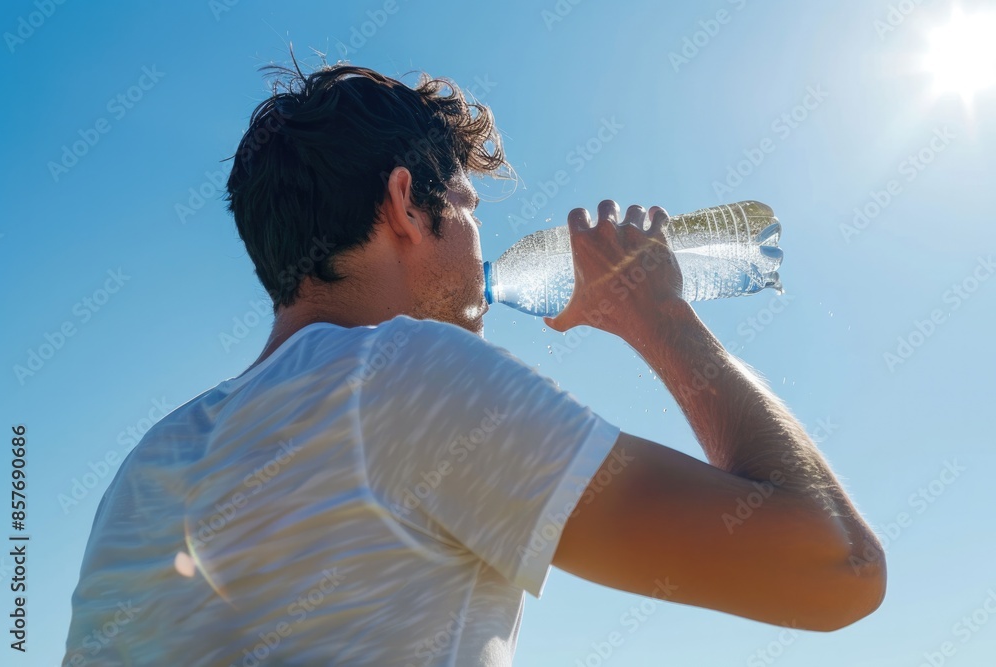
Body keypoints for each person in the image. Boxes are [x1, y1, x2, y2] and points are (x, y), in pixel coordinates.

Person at [62, 60, 886, 666]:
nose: (478, 236)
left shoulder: (145, 468)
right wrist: (662, 317)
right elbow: (837, 568)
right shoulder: (404, 373)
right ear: (402, 205)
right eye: (466, 205)